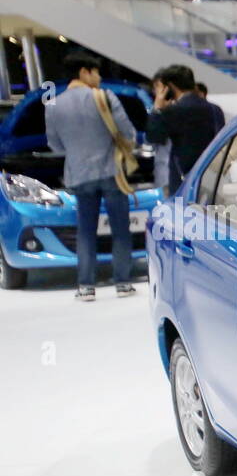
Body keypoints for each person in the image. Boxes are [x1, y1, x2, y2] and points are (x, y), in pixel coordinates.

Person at [44, 52, 138, 301]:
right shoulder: (105, 96)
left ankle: (86, 286)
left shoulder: (53, 104)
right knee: (120, 228)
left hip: (78, 174)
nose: (98, 77)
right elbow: (127, 131)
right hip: (111, 172)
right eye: (96, 72)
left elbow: (54, 145)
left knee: (85, 231)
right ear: (85, 72)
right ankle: (123, 283)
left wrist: (76, 151)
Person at [146, 64, 221, 195]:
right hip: (213, 178)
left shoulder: (173, 112)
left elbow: (154, 136)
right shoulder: (215, 109)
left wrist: (157, 108)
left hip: (183, 181)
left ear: (170, 86)